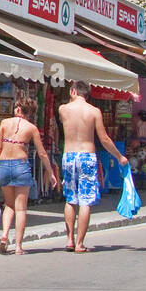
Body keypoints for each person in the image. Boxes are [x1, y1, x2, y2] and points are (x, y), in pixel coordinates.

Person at [57, 80, 127, 253]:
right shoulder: (94, 111)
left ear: (73, 91)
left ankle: (69, 240)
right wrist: (119, 156)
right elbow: (104, 139)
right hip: (87, 156)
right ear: (87, 94)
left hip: (69, 156)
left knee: (70, 199)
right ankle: (80, 243)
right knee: (85, 200)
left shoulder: (63, 110)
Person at [0, 96, 57, 255]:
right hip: (21, 166)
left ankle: (4, 235)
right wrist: (51, 173)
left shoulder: (4, 123)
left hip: (4, 165)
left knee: (8, 205)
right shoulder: (31, 128)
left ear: (19, 109)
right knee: (21, 209)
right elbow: (42, 153)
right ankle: (18, 246)